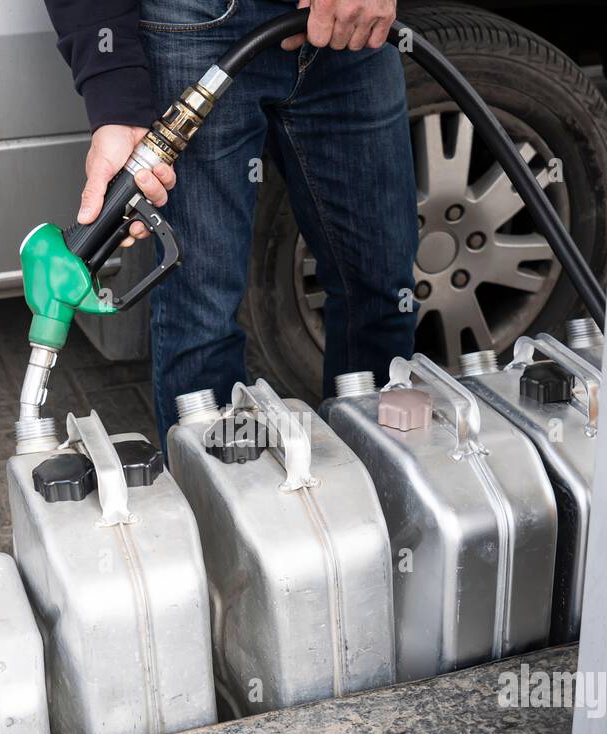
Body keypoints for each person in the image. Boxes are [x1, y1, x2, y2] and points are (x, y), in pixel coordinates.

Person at [45, 0, 418, 441]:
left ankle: (383, 486)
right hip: (189, 21)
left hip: (348, 21)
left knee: (381, 295)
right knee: (200, 319)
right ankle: (219, 504)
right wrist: (114, 98)